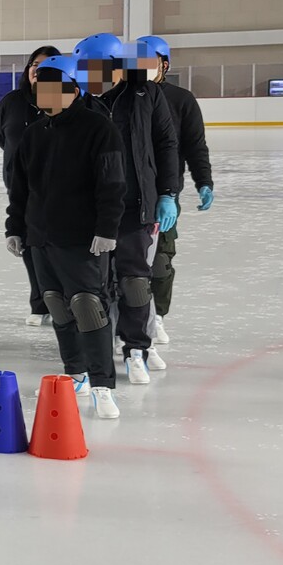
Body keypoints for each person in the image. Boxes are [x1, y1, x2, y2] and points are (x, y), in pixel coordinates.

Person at [6, 55, 126, 418]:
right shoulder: (33, 134)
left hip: (82, 239)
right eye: (39, 87)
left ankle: (102, 384)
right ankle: (75, 373)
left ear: (73, 90)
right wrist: (15, 227)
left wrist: (107, 229)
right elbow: (20, 189)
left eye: (52, 87)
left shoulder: (99, 128)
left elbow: (113, 184)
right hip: (41, 237)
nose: (44, 94)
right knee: (57, 305)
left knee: (88, 307)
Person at [74, 33, 180, 383]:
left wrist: (168, 193)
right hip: (93, 212)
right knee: (94, 286)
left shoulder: (145, 94)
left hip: (136, 206)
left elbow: (166, 143)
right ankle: (97, 355)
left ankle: (136, 349)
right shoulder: (81, 103)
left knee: (135, 281)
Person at [141, 36, 214, 344]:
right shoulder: (122, 97)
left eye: (149, 62)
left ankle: (156, 315)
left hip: (164, 195)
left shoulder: (181, 100)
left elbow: (195, 146)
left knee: (160, 260)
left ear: (164, 64)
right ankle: (123, 319)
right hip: (126, 194)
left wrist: (204, 181)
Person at [0, 45, 61, 326]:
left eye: (45, 65)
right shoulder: (11, 101)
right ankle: (40, 303)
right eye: (34, 64)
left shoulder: (62, 100)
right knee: (29, 246)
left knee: (57, 247)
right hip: (21, 188)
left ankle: (63, 299)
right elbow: (1, 136)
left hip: (59, 190)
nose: (37, 69)